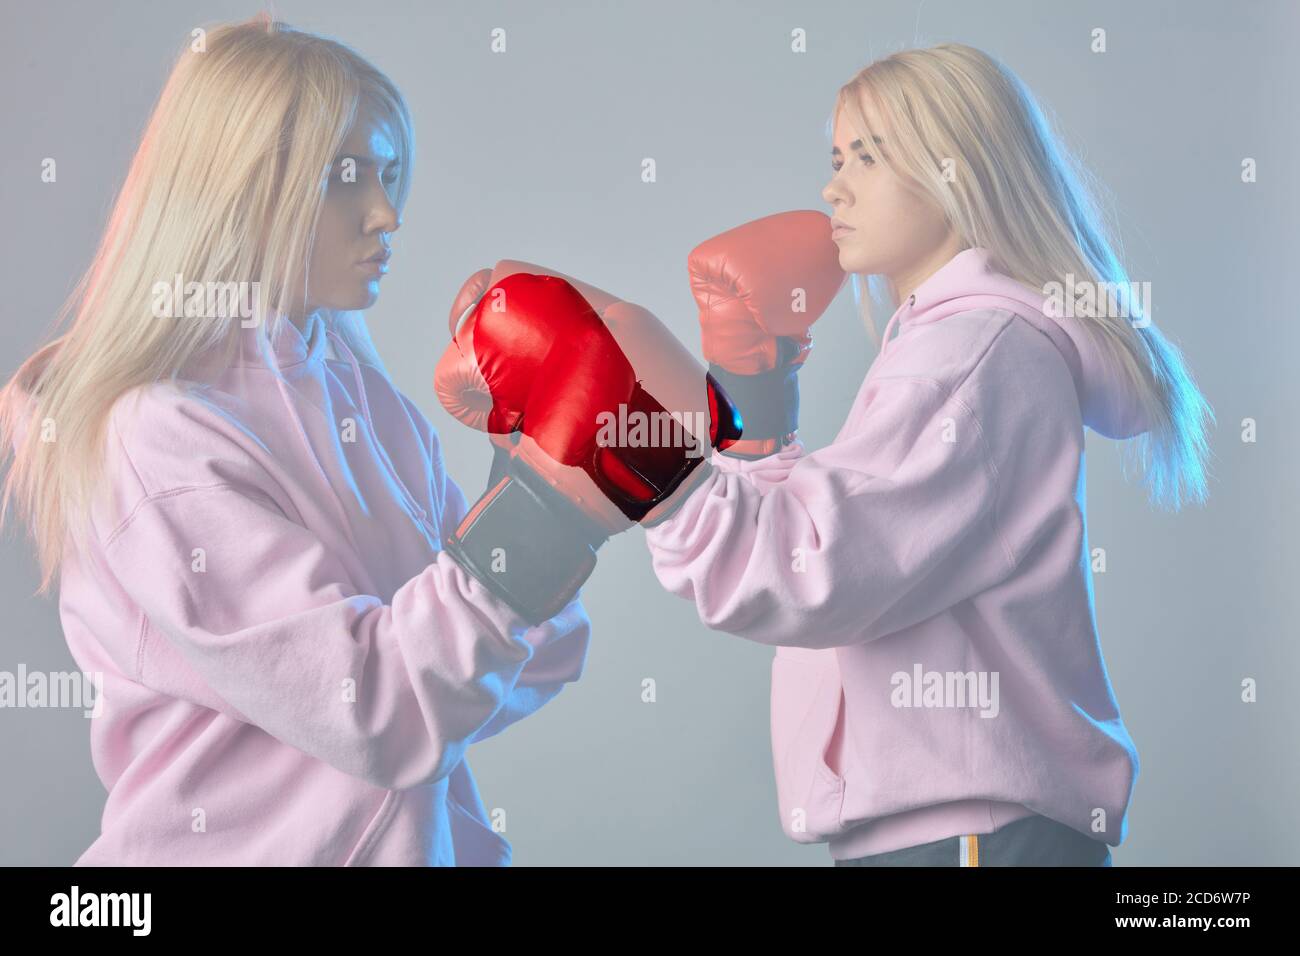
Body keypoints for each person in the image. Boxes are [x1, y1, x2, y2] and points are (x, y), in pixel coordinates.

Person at [0, 15, 706, 866]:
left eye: (390, 173)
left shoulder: (361, 398)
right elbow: (378, 706)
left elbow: (539, 651)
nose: (385, 213)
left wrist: (522, 476)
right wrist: (545, 516)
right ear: (239, 185)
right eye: (346, 177)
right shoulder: (157, 438)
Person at [640, 44, 1214, 866]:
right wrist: (752, 406)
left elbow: (806, 571)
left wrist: (635, 451)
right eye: (836, 159)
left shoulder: (972, 354)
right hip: (955, 835)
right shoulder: (957, 344)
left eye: (868, 158)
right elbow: (834, 544)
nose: (833, 186)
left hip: (966, 838)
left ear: (958, 170)